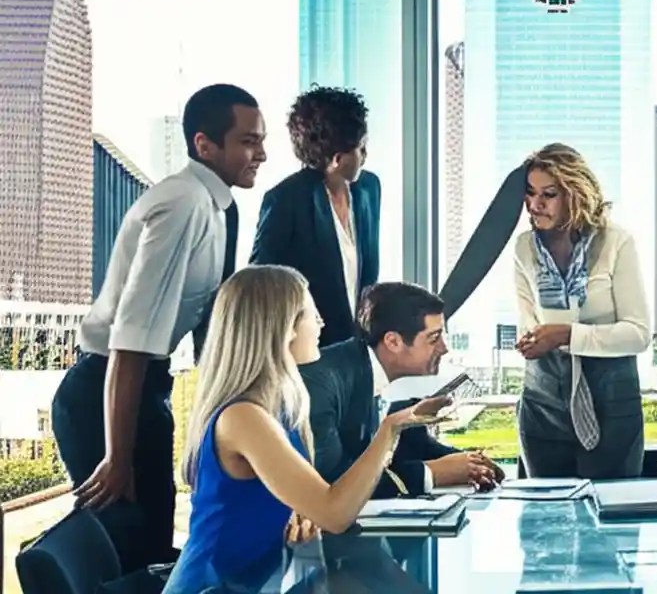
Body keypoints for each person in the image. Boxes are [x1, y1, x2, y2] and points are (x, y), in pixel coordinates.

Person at [51, 84, 266, 572]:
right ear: (204, 144)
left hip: (147, 390)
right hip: (104, 397)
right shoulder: (182, 204)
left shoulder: (221, 209)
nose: (262, 153)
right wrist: (116, 455)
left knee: (153, 547)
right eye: (248, 141)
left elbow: (207, 326)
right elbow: (129, 342)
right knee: (126, 556)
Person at [165, 266, 448, 593]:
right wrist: (392, 428)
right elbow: (335, 512)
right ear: (283, 327)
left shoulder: (279, 409)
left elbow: (306, 501)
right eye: (312, 315)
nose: (321, 324)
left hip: (259, 581)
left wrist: (299, 508)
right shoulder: (244, 417)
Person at [513, 143, 652, 479]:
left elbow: (639, 334)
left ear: (574, 194)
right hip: (542, 400)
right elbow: (528, 324)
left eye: (549, 194)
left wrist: (567, 335)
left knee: (613, 522)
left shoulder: (617, 242)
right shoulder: (524, 247)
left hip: (612, 403)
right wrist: (528, 342)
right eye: (530, 193)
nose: (536, 204)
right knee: (542, 522)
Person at [302, 281, 503, 497]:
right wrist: (432, 474)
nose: (444, 348)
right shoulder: (322, 383)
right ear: (393, 342)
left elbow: (404, 450)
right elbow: (333, 480)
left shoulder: (361, 371)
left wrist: (470, 464)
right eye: (434, 338)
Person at [252, 85, 380, 347]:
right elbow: (258, 285)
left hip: (358, 351)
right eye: (361, 148)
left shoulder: (369, 189)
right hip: (309, 353)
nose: (365, 155)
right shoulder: (286, 200)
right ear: (337, 158)